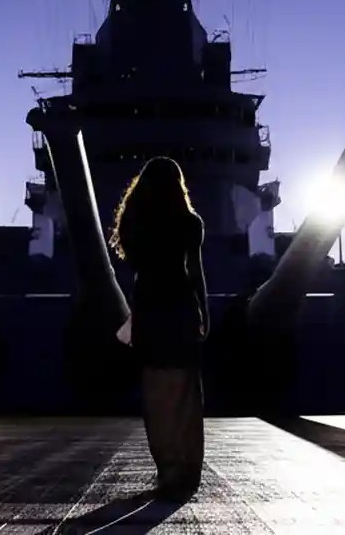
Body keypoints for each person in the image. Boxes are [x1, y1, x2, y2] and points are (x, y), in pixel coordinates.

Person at [109, 156, 209, 500]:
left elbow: (136, 265)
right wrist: (204, 313)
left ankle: (166, 467)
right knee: (185, 392)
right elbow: (195, 273)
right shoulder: (190, 223)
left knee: (155, 391)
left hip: (149, 306)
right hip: (180, 305)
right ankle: (187, 466)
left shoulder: (136, 224)